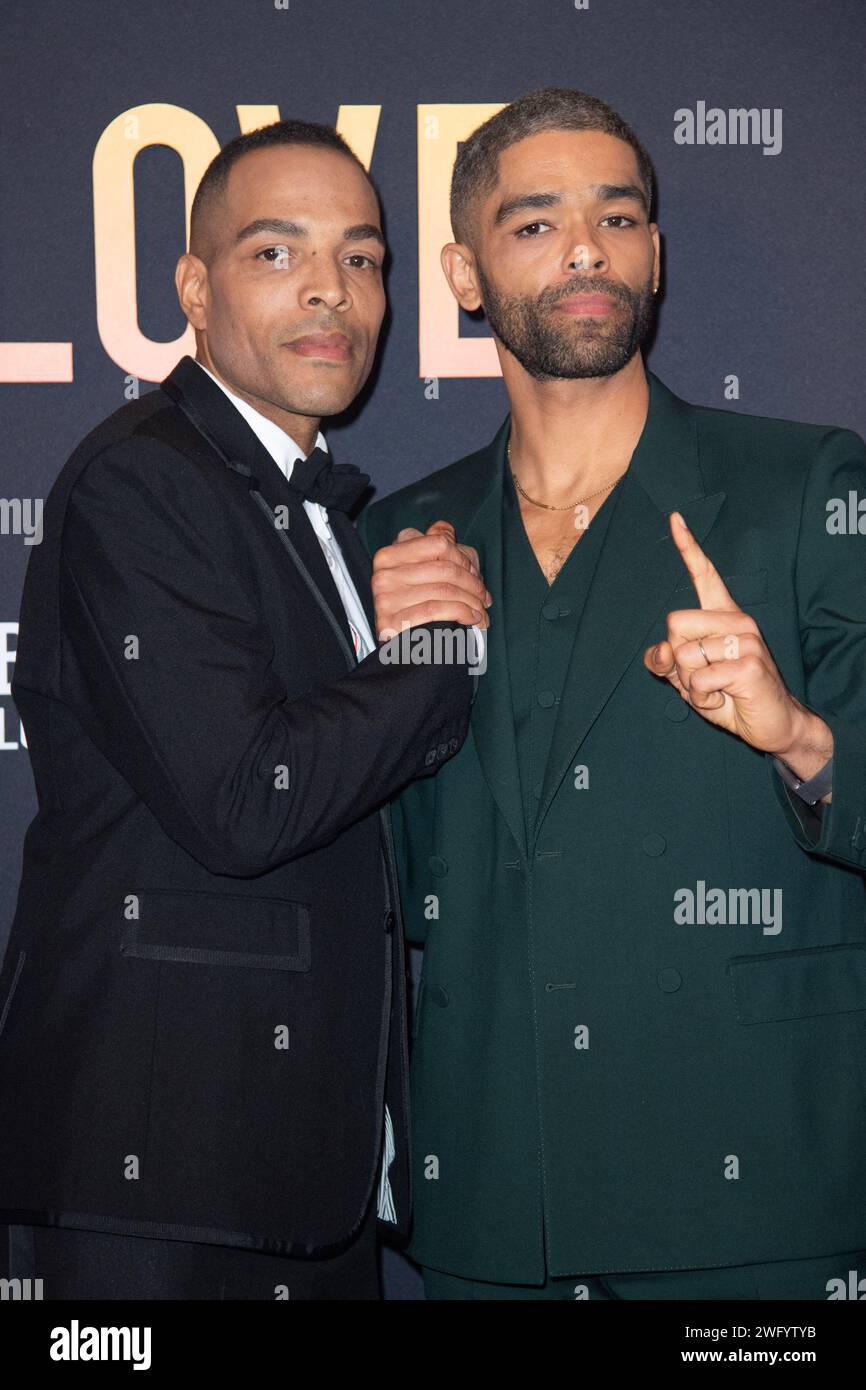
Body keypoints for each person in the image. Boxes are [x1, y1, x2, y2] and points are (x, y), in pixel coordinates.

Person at [357, 87, 866, 1300]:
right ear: (464, 273)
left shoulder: (804, 486)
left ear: (653, 256)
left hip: (756, 1201)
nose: (585, 246)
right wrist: (373, 682)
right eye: (533, 224)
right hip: (492, 1212)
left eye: (617, 216)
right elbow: (375, 882)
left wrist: (797, 736)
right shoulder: (396, 542)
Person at [0, 118, 489, 1300]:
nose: (332, 289)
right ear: (192, 288)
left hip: (302, 1181)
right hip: (164, 1186)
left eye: (362, 258)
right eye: (277, 253)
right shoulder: (144, 477)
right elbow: (243, 798)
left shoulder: (321, 511)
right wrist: (431, 655)